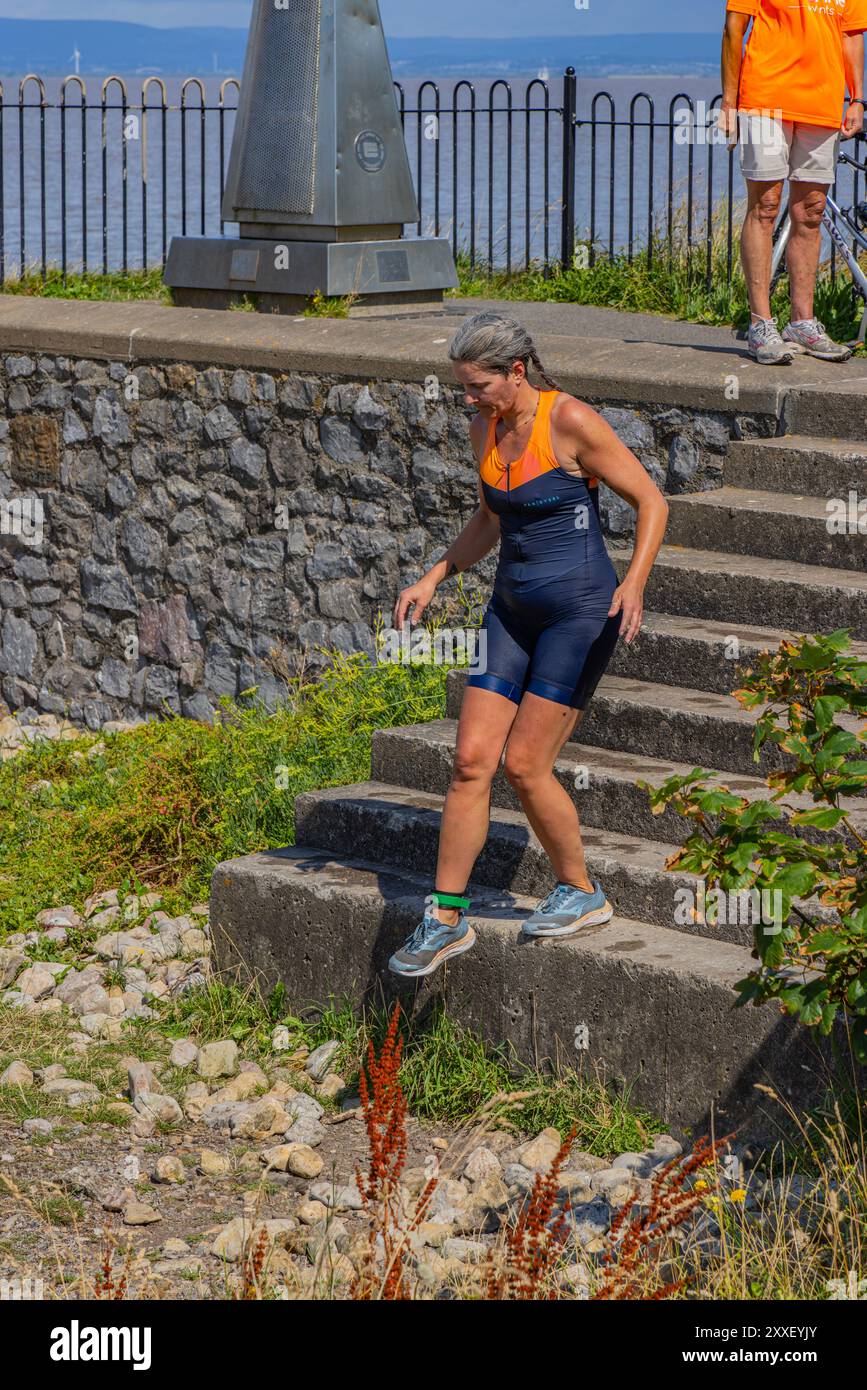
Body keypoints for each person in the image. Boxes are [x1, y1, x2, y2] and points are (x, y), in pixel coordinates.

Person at [387, 312, 669, 979]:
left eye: (478, 385)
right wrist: (436, 573)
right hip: (509, 612)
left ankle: (581, 891)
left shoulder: (569, 421)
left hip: (579, 614)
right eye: (462, 386)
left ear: (515, 372)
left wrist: (633, 582)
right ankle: (445, 917)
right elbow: (489, 515)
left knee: (523, 763)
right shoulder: (481, 426)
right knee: (468, 761)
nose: (468, 398)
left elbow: (651, 502)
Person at [720, 0, 867, 364]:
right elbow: (734, 29)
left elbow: (851, 36)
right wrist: (728, 103)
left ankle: (802, 322)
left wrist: (857, 99)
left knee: (811, 212)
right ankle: (760, 324)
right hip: (765, 98)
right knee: (766, 206)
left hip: (822, 103)